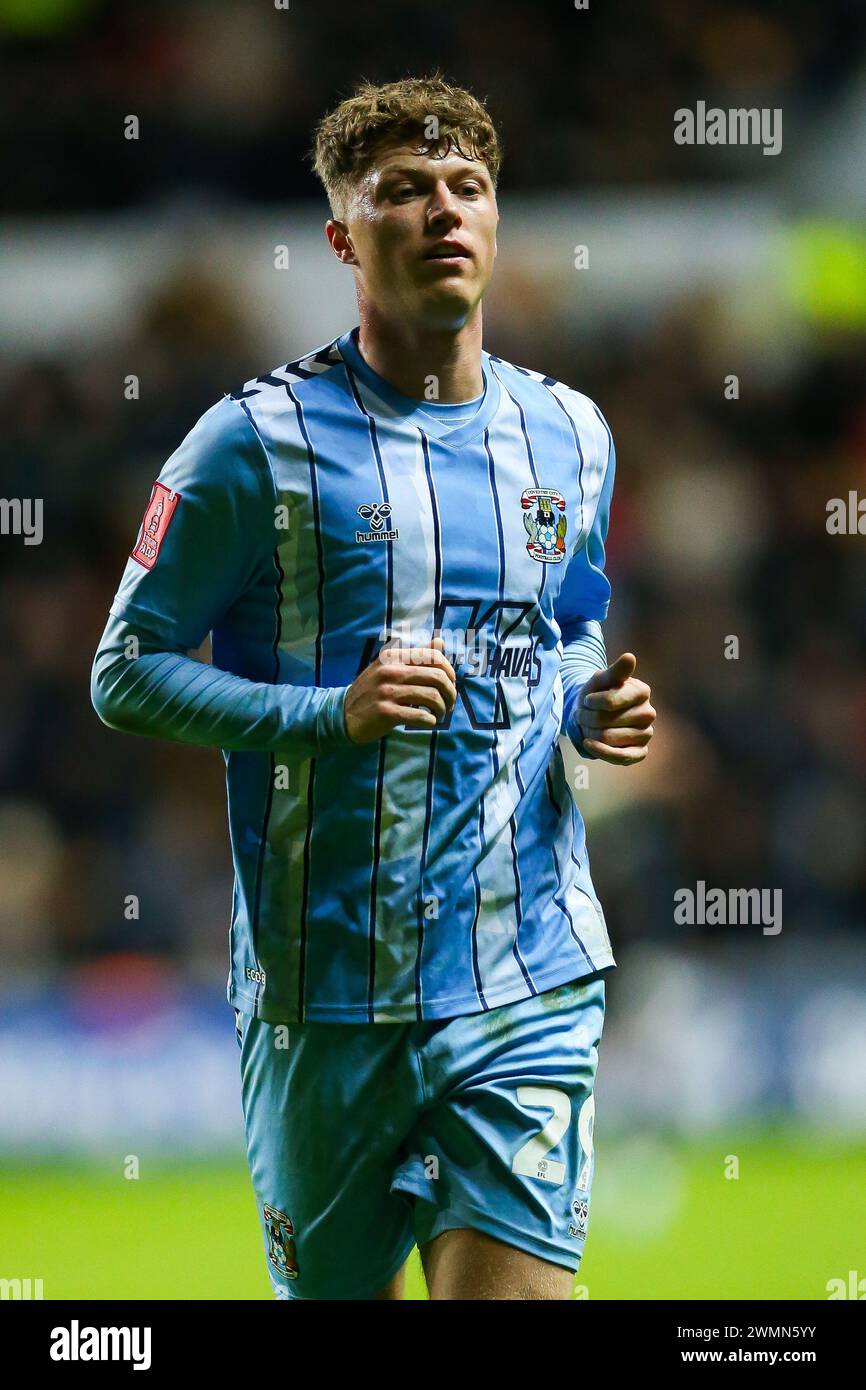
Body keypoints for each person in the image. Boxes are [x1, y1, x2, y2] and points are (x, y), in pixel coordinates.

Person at [91, 73, 655, 1301]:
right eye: (403, 191)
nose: (443, 211)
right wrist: (324, 716)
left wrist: (584, 708)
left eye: (468, 188)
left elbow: (564, 630)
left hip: (525, 977)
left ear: (498, 222)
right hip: (319, 1000)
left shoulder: (571, 434)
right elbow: (122, 673)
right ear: (344, 236)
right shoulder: (251, 444)